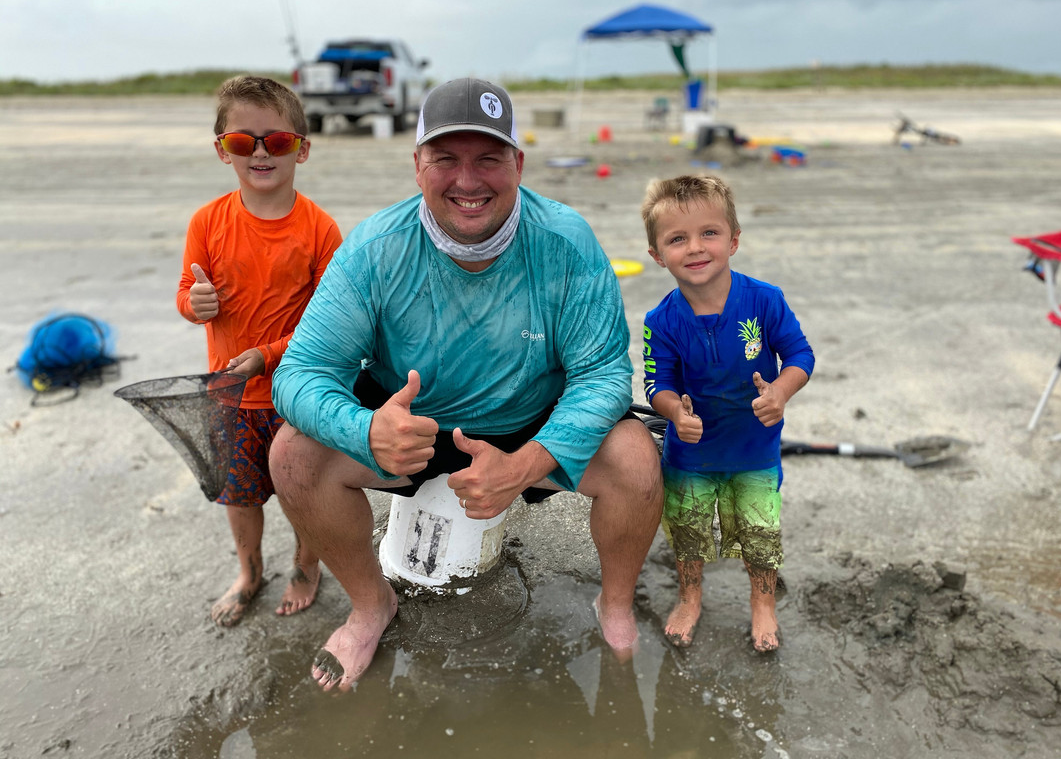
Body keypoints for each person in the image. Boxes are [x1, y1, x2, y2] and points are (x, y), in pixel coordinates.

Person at [269, 77, 662, 691]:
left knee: (637, 460)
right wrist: (365, 428)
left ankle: (614, 603)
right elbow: (299, 375)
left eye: (488, 158)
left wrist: (530, 461)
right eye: (446, 158)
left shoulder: (565, 241)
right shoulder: (374, 248)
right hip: (413, 432)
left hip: (530, 424)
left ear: (519, 163)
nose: (468, 180)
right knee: (292, 455)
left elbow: (605, 374)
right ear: (417, 165)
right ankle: (372, 606)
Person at [176, 75, 343, 627]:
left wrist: (266, 356)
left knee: (302, 490)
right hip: (229, 393)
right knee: (239, 496)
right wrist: (195, 303)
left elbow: (332, 326)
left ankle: (305, 565)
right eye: (245, 142)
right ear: (224, 151)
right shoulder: (206, 222)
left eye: (278, 140)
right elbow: (186, 294)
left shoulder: (320, 230)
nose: (262, 153)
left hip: (297, 394)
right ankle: (248, 572)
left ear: (303, 147)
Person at [640, 174, 814, 652]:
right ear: (658, 255)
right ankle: (690, 597)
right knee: (690, 531)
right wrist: (675, 412)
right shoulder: (661, 321)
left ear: (733, 240)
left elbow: (801, 355)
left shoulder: (764, 300)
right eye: (678, 239)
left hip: (754, 449)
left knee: (759, 532)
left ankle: (763, 604)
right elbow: (657, 383)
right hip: (690, 454)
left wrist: (779, 391)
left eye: (709, 233)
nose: (695, 248)